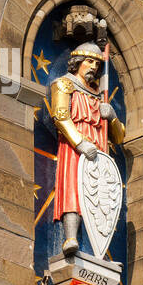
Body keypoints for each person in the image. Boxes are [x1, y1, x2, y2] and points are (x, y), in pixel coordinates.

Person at [49, 42, 125, 255]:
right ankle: (71, 237)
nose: (93, 67)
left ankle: (98, 246)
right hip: (76, 150)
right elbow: (61, 116)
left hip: (99, 153)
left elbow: (118, 137)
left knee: (100, 196)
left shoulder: (99, 97)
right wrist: (80, 143)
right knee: (74, 189)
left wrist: (112, 116)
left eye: (97, 64)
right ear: (77, 63)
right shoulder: (64, 84)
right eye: (89, 61)